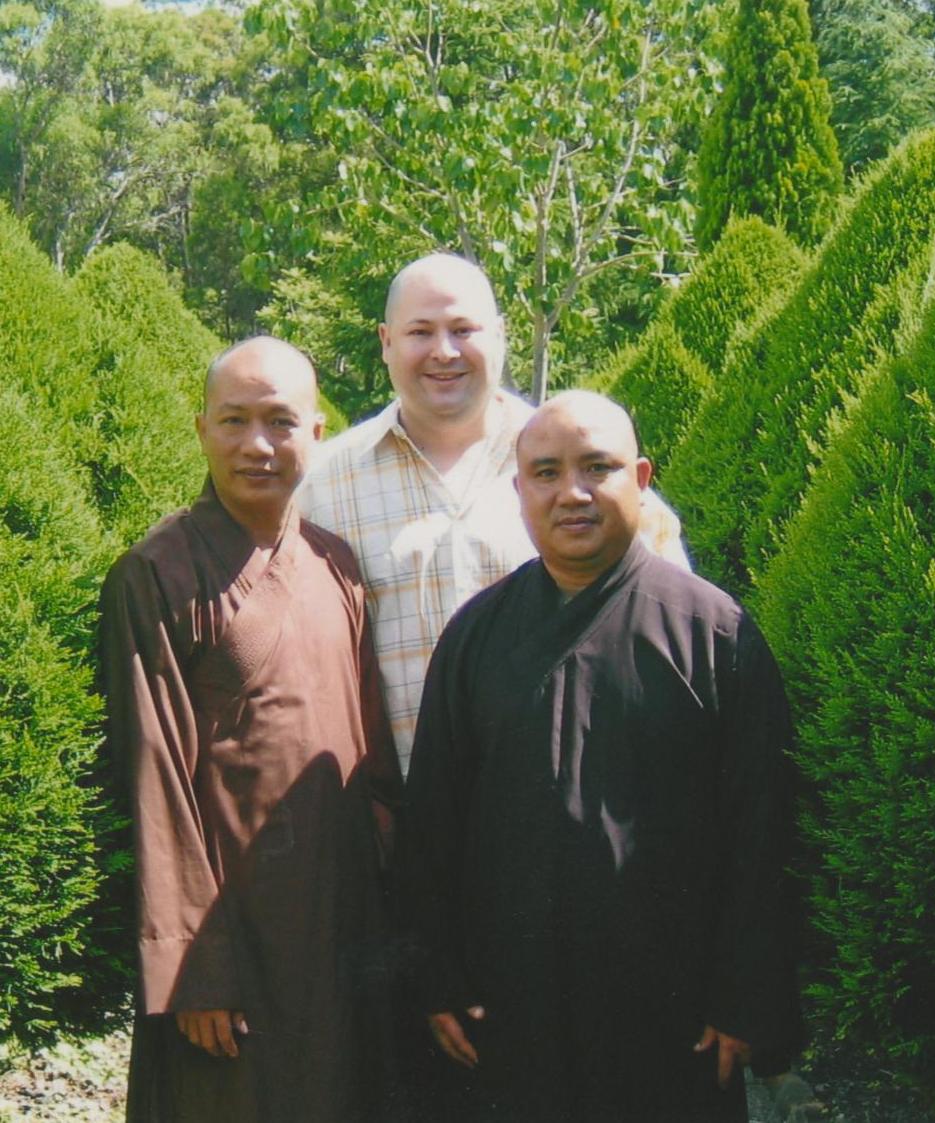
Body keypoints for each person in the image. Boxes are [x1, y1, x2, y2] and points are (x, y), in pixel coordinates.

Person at [402, 390, 804, 1123]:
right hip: (509, 1005)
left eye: (598, 467)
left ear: (642, 479)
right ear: (518, 489)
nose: (572, 493)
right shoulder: (475, 638)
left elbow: (761, 829)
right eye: (546, 472)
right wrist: (438, 979)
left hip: (673, 1016)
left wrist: (745, 995)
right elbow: (432, 822)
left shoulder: (712, 635)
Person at [100, 336, 399, 1123]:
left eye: (279, 421)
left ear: (316, 435)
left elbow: (371, 757)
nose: (257, 444)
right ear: (200, 427)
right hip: (230, 932)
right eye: (234, 420)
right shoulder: (157, 573)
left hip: (337, 920)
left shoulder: (337, 565)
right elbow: (154, 777)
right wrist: (193, 966)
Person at [298, 252, 688, 781]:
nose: (444, 352)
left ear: (501, 335)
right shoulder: (321, 489)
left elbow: (674, 629)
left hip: (565, 814)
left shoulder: (583, 470)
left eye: (464, 329)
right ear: (386, 341)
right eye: (420, 332)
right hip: (403, 824)